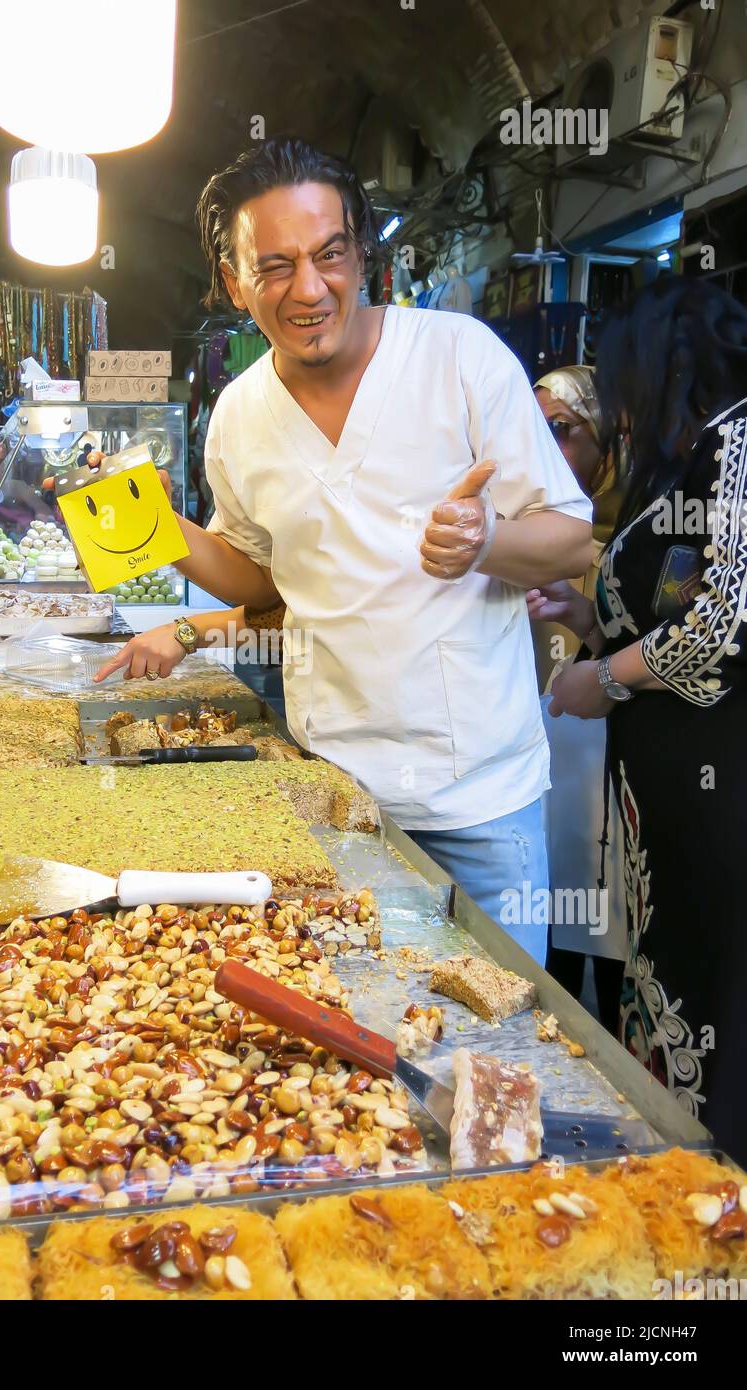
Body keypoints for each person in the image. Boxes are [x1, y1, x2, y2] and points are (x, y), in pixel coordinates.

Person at [97, 138, 594, 964]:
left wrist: (486, 542)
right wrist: (146, 527)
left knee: (500, 1052)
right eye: (276, 266)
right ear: (233, 282)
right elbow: (258, 580)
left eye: (330, 255)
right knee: (357, 1050)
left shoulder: (459, 358)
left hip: (476, 798)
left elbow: (570, 540)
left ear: (363, 252)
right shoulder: (238, 415)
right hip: (331, 791)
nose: (310, 288)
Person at [540, 275, 747, 1160]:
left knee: (710, 968)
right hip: (657, 785)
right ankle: (674, 1155)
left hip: (716, 778)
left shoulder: (738, 440)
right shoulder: (686, 452)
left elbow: (724, 619)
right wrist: (587, 620)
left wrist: (610, 680)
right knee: (662, 961)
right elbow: (662, 602)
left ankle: (713, 1176)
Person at [527, 365, 627, 1031]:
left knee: (618, 942)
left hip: (621, 774)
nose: (544, 449)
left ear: (605, 443)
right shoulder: (521, 532)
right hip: (544, 771)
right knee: (552, 931)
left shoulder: (647, 537)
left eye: (560, 432)